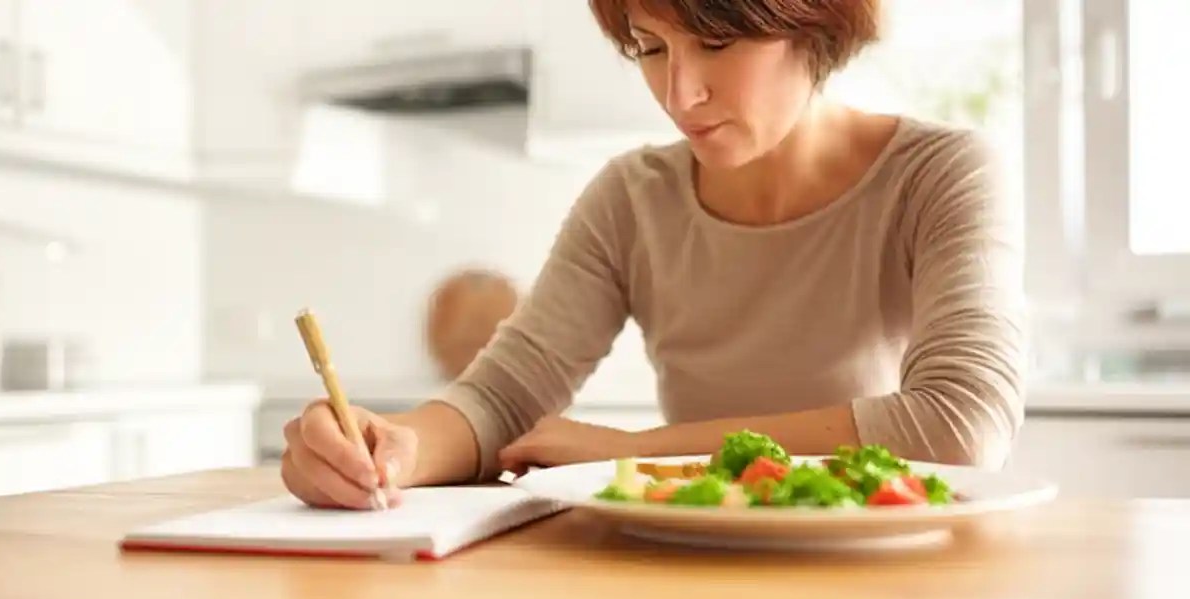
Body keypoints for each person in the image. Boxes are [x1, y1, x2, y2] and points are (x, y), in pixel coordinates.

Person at [279, 0, 1027, 510]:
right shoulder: (632, 200)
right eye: (650, 47)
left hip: (878, 576)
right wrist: (395, 447)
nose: (680, 92)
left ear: (813, 19)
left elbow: (959, 424)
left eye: (717, 41)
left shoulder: (940, 174)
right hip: (686, 565)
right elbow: (503, 400)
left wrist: (636, 451)